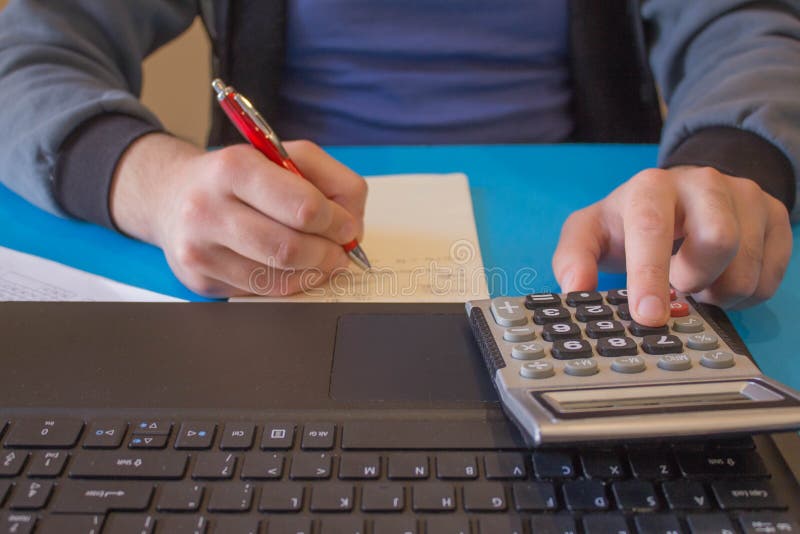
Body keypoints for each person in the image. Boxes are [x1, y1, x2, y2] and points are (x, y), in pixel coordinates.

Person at [0, 0, 797, 328]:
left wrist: (725, 168)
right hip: (268, 259)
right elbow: (26, 52)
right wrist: (159, 184)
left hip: (590, 225)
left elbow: (747, 27)